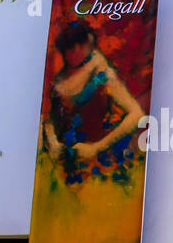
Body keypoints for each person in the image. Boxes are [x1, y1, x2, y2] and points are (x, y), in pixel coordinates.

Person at [42, 20, 145, 187]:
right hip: (64, 168)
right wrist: (53, 143)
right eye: (69, 49)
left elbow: (136, 115)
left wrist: (96, 147)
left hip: (100, 167)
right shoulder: (59, 80)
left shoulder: (101, 71)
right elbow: (48, 120)